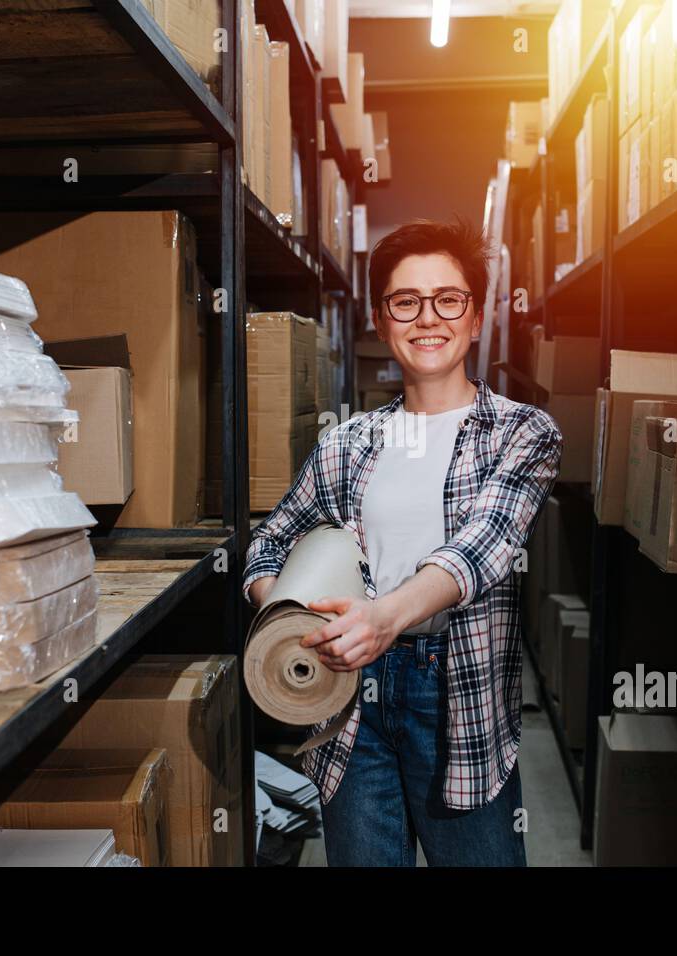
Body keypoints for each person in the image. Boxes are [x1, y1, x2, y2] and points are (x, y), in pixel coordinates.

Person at [242, 217, 563, 866]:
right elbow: (267, 543)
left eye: (449, 299)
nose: (428, 319)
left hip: (458, 696)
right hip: (348, 697)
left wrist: (383, 618)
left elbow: (481, 548)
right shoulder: (347, 443)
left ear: (475, 317)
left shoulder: (521, 434)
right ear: (383, 322)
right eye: (405, 302)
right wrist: (292, 617)